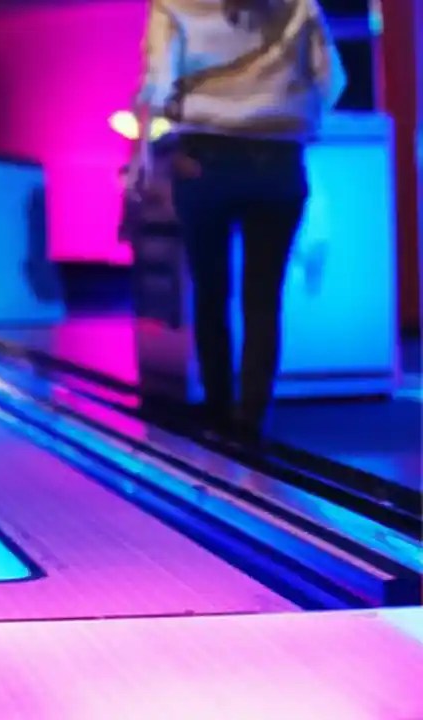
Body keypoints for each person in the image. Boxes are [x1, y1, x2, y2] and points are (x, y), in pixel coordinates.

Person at [128, 0, 346, 442]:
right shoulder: (298, 4)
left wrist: (144, 153)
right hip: (278, 162)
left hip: (204, 162)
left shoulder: (174, 4)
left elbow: (158, 83)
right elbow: (332, 82)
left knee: (211, 295)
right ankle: (252, 421)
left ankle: (218, 414)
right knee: (263, 300)